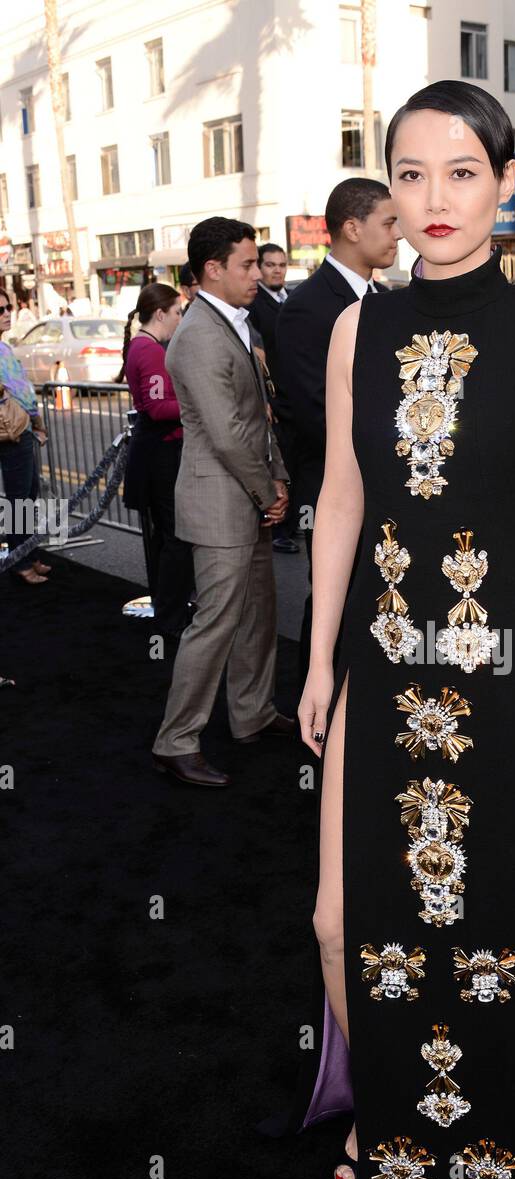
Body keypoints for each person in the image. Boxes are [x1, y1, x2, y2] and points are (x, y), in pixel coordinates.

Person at [258, 80, 515, 1179]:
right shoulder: (354, 328)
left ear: (505, 185)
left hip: (508, 649)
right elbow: (338, 506)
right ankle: (386, 1110)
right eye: (411, 174)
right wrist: (317, 661)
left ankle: (485, 1128)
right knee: (338, 911)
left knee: (492, 909)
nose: (434, 198)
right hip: (378, 655)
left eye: (462, 172)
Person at [151, 217, 293, 786]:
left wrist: (276, 482)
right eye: (248, 264)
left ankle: (252, 713)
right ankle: (176, 739)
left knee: (258, 616)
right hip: (221, 504)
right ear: (213, 270)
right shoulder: (200, 335)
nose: (259, 273)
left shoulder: (232, 321)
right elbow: (229, 431)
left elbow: (260, 416)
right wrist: (269, 491)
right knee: (214, 625)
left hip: (251, 496)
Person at [275, 179, 400, 683]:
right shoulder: (308, 307)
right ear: (352, 227)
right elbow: (314, 410)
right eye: (389, 223)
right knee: (334, 597)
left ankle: (363, 705)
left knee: (378, 599)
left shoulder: (385, 299)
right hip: (332, 484)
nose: (399, 236)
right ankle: (319, 708)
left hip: (385, 483)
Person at [118, 282, 195, 638]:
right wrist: (197, 407)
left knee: (169, 538)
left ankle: (171, 609)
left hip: (160, 450)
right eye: (178, 312)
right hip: (161, 453)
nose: (181, 318)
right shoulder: (148, 350)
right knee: (175, 538)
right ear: (161, 313)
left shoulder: (145, 346)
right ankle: (171, 615)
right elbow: (156, 407)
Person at [247, 243, 299, 555]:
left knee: (295, 467)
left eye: (281, 264)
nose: (277, 269)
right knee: (277, 467)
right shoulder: (254, 304)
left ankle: (293, 524)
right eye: (270, 264)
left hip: (294, 397)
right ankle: (280, 527)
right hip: (272, 400)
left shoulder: (291, 298)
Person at [0, 286, 50, 585]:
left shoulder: (4, 347)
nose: (7, 314)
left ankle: (29, 555)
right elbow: (25, 394)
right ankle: (21, 560)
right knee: (22, 498)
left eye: (8, 309)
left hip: (14, 430)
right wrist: (38, 421)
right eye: (0, 310)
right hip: (15, 431)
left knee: (26, 495)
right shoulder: (2, 351)